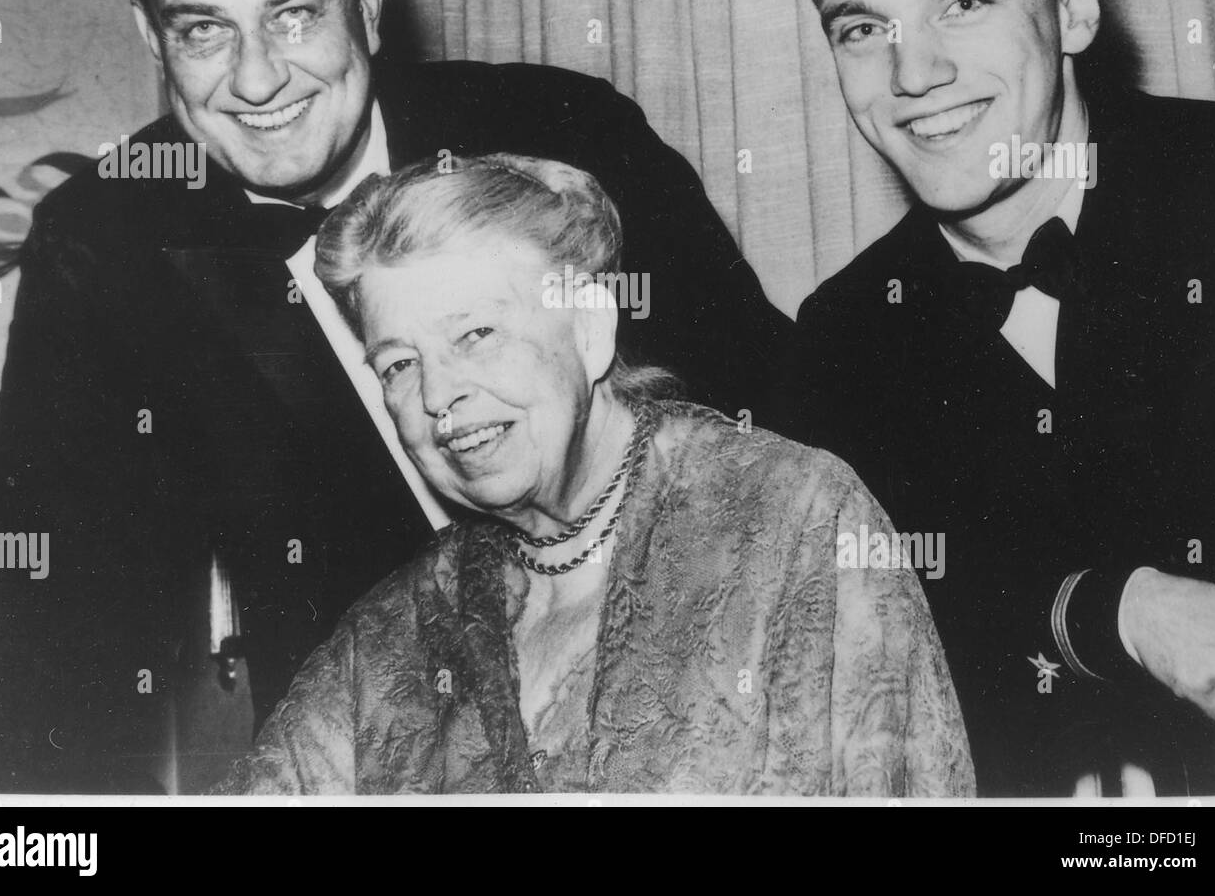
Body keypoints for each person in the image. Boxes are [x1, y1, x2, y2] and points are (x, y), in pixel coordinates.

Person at [0, 0, 795, 793]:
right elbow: (47, 607)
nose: (258, 78)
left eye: (293, 13)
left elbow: (770, 406)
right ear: (153, 37)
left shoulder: (565, 128)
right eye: (203, 29)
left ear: (365, 1)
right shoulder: (103, 243)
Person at [214, 153, 973, 795]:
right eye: (400, 364)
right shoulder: (391, 634)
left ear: (589, 328)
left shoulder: (794, 519)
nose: (439, 396)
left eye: (476, 333)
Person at [785, 0, 1215, 796]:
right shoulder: (840, 341)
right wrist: (1122, 610)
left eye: (963, 2)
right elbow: (903, 625)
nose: (913, 74)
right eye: (863, 27)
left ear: (1072, 5)